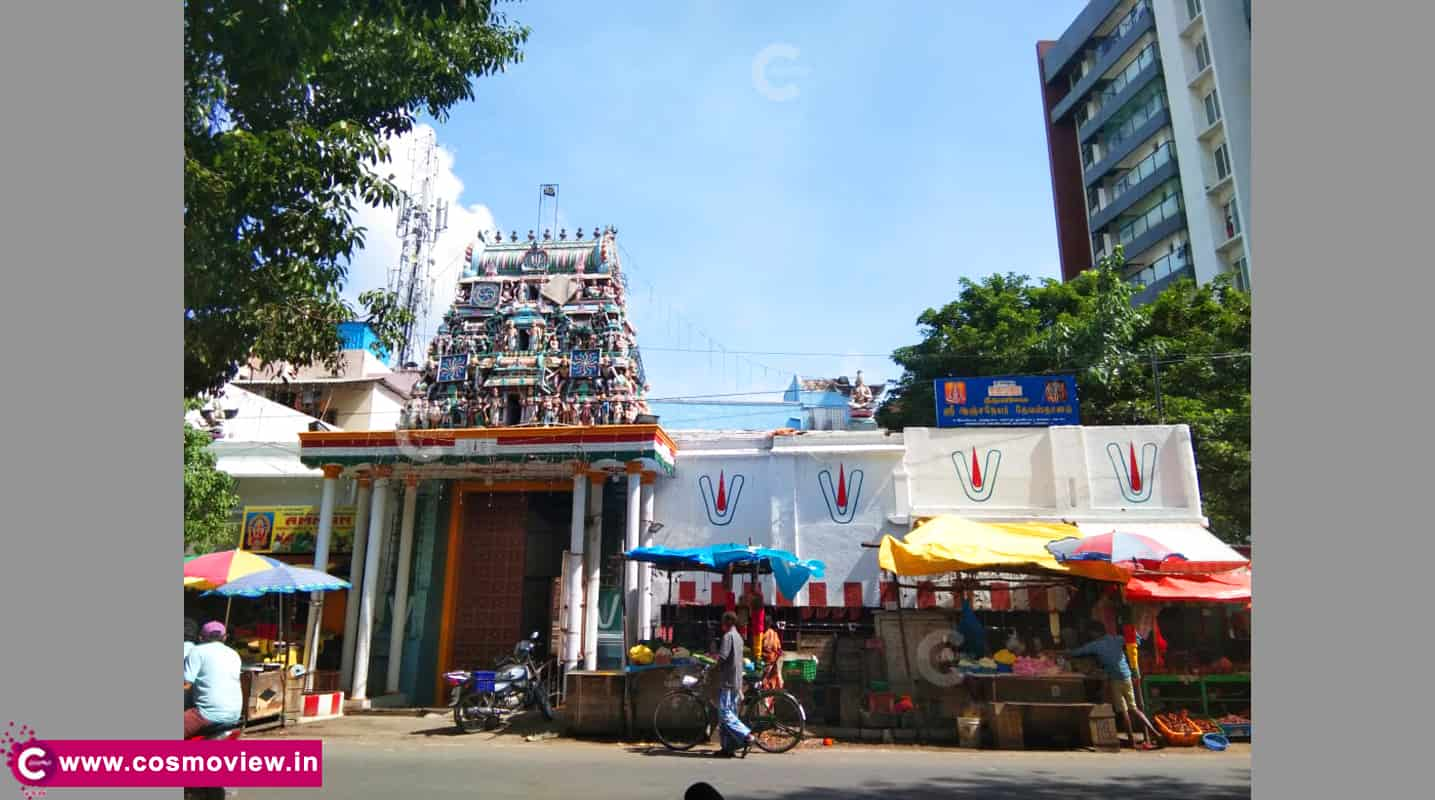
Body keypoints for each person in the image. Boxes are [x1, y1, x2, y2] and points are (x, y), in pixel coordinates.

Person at [1069, 622, 1151, 749]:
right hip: (1127, 676)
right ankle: (1156, 734)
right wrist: (1133, 635)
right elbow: (1136, 641)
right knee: (1134, 709)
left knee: (1124, 711)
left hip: (1115, 680)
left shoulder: (1096, 645)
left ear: (1095, 634)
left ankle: (1131, 741)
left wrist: (1068, 653)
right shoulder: (1117, 639)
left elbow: (1079, 652)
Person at [183, 621, 243, 738]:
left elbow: (186, 685)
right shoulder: (234, 654)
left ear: (201, 637)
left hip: (207, 714)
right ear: (225, 637)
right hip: (235, 715)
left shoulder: (197, 651)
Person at [714, 611, 753, 758]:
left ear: (727, 623)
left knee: (725, 714)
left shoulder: (728, 636)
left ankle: (746, 735)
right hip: (736, 680)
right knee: (730, 715)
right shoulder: (739, 637)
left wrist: (714, 665)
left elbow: (723, 657)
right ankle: (728, 748)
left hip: (728, 681)